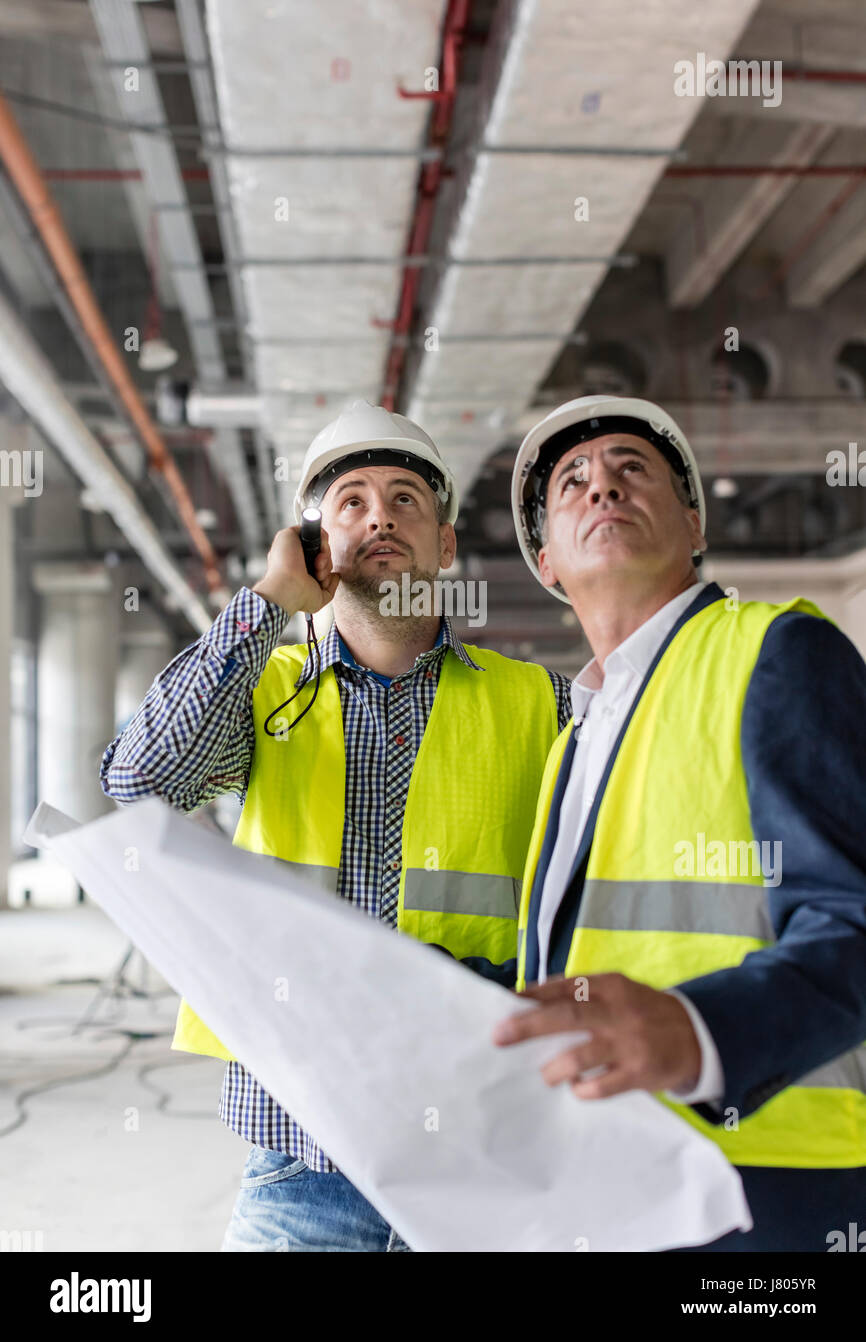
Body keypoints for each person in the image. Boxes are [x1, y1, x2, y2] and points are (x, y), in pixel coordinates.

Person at [100, 397, 572, 1253]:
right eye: (350, 500)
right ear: (315, 541)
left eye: (404, 500)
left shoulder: (544, 703)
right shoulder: (259, 690)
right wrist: (271, 600)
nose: (378, 517)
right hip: (303, 1159)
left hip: (481, 1150)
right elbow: (140, 781)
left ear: (446, 545)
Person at [492, 393, 866, 1252]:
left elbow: (853, 923)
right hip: (616, 1176)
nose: (604, 488)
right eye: (574, 482)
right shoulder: (575, 740)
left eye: (633, 470)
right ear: (547, 562)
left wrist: (699, 1033)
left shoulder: (775, 652)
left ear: (694, 526)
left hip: (773, 1195)